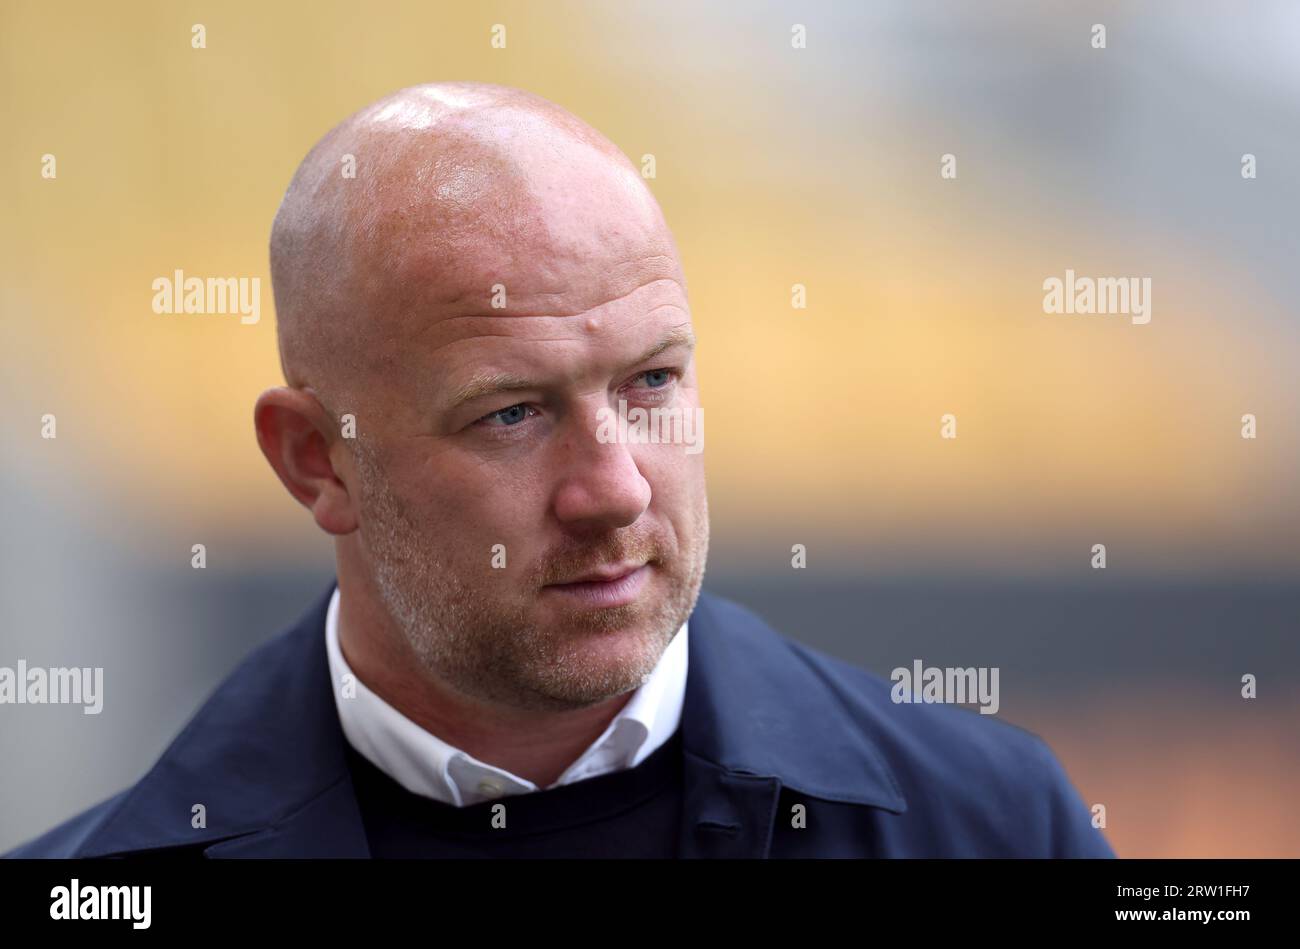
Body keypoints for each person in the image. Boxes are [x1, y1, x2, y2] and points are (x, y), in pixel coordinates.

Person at [7, 82, 1114, 858]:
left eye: (650, 383)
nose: (617, 490)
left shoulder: (991, 826)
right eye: (512, 412)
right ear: (316, 460)